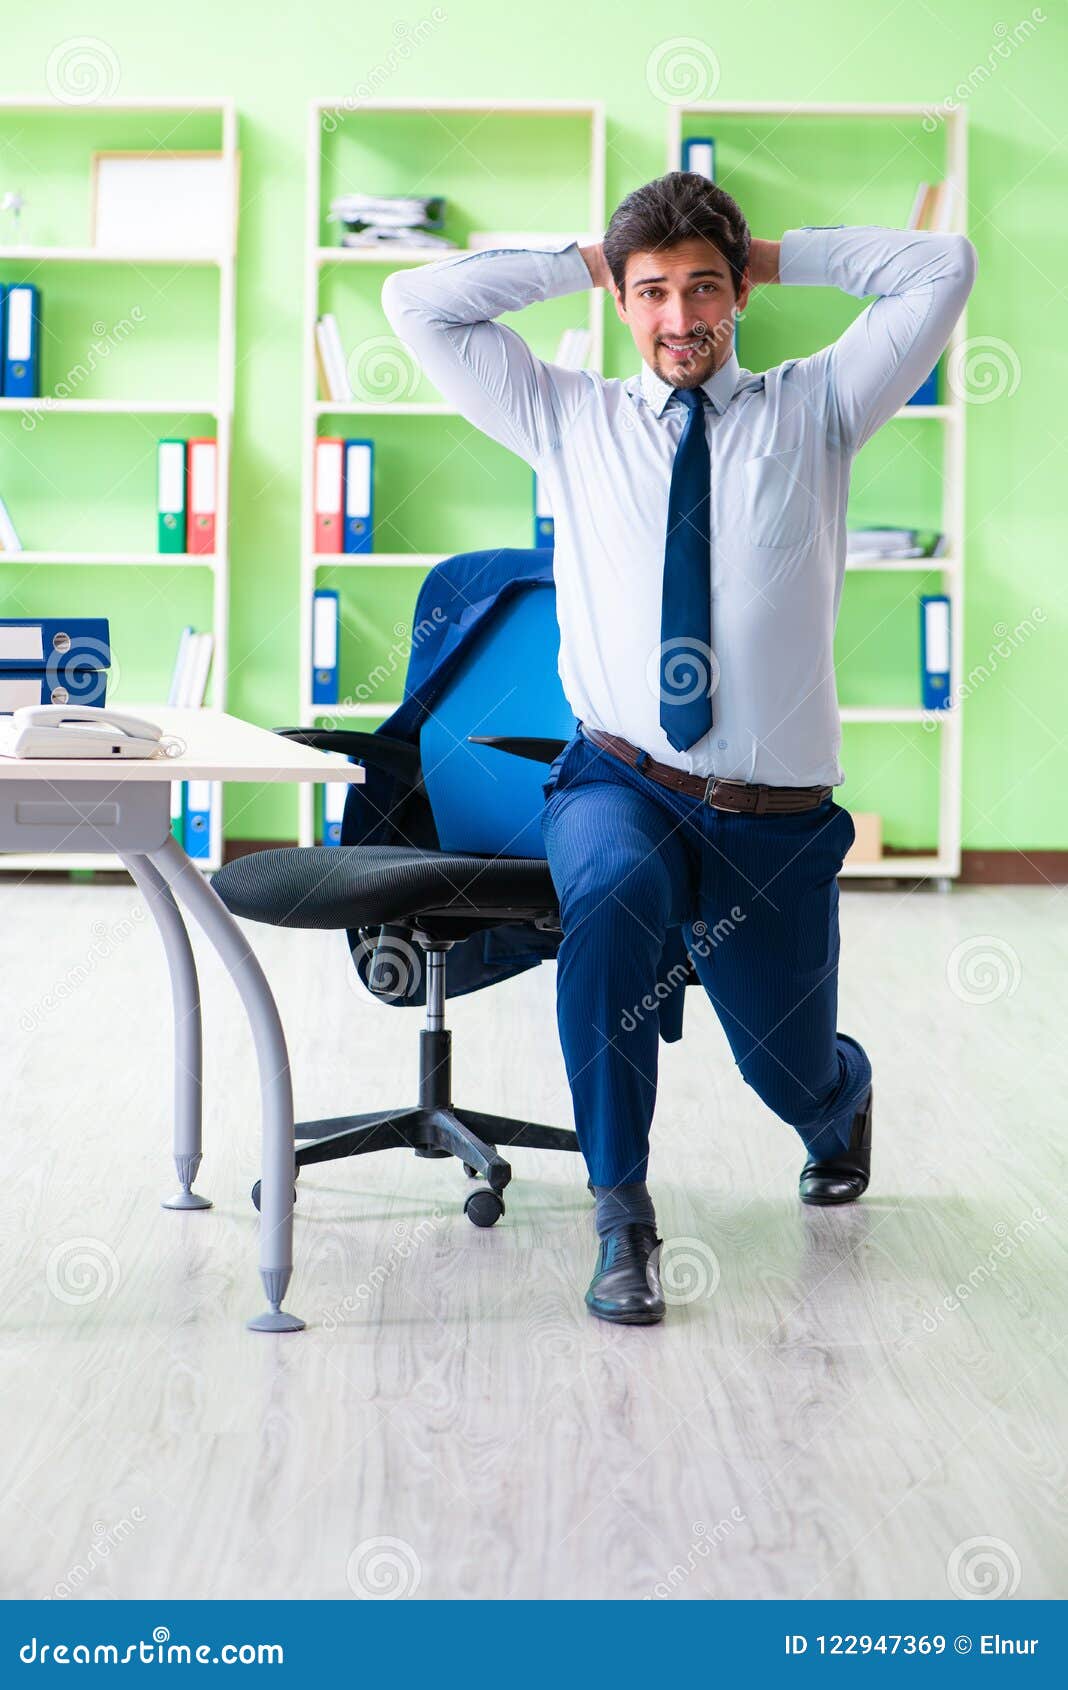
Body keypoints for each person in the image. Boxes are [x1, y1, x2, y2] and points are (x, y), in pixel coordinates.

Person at [381, 171, 977, 1325]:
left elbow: (938, 266)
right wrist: (583, 258)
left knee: (781, 1063)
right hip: (621, 779)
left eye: (704, 288)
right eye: (652, 292)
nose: (679, 318)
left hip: (777, 815)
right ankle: (622, 1219)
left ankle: (834, 1101)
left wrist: (777, 252)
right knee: (605, 895)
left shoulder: (822, 406)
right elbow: (419, 303)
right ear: (622, 302)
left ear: (739, 295)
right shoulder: (568, 416)